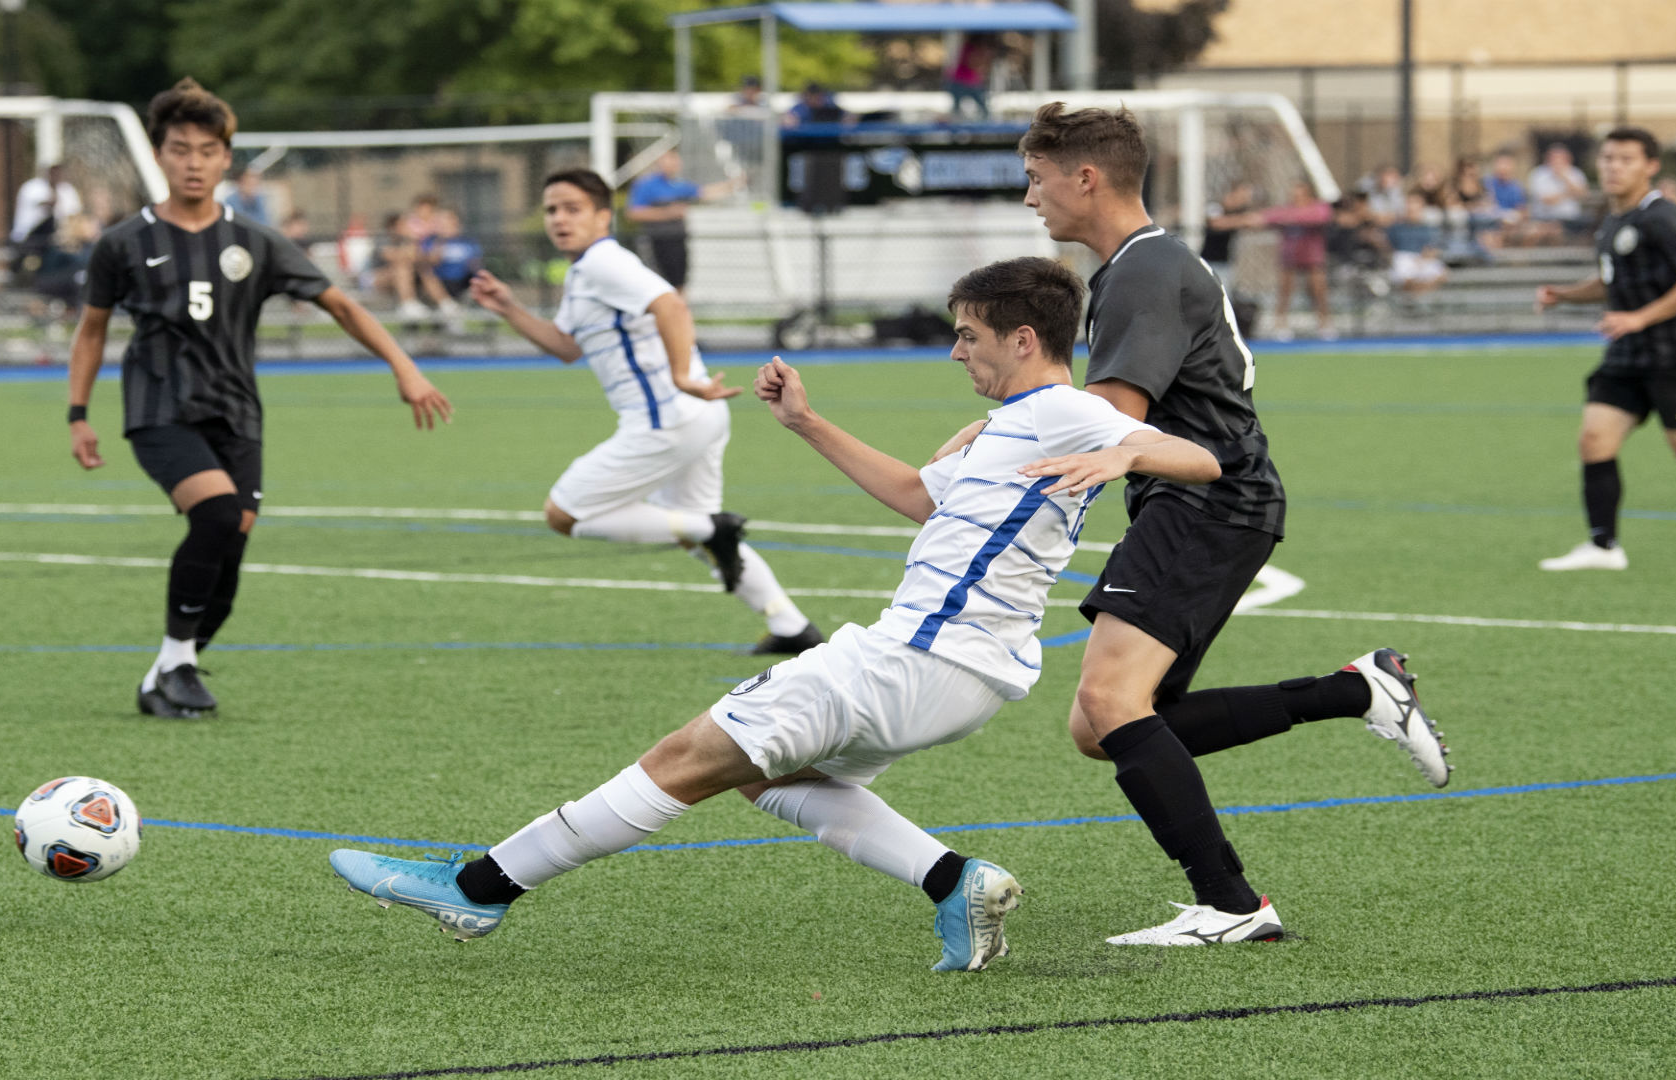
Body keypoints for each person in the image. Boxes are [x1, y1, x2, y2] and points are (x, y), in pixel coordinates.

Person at [329, 257, 1223, 969]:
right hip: (962, 675)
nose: (957, 353)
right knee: (767, 778)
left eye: (968, 335)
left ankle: (479, 890)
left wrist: (1126, 454)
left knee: (682, 758)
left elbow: (1201, 459)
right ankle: (956, 882)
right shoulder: (1014, 423)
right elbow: (919, 496)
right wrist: (806, 422)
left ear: (1023, 339)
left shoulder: (1067, 411)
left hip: (912, 659)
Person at [1015, 103, 1449, 945]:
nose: (1031, 197)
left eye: (1037, 178)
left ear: (1086, 177)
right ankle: (1355, 690)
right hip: (1205, 502)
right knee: (1102, 727)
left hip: (1207, 502)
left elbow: (1114, 417)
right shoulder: (1140, 263)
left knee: (1109, 700)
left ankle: (1231, 904)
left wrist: (1002, 426)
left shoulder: (1144, 268)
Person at [66, 78, 452, 719]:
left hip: (237, 412)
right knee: (217, 514)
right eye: (180, 150)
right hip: (159, 409)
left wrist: (404, 367)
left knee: (230, 549)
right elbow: (91, 331)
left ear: (226, 159)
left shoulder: (256, 240)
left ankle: (166, 673)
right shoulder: (123, 243)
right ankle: (178, 665)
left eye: (207, 151)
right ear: (159, 156)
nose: (193, 163)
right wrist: (78, 415)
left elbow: (340, 304)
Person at [466, 169, 820, 655]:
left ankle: (711, 529)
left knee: (563, 513)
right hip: (695, 416)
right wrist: (510, 308)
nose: (559, 219)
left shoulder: (604, 262)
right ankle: (790, 626)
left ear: (602, 217)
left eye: (573, 208)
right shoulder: (585, 271)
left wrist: (680, 375)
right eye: (551, 210)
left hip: (668, 419)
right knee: (694, 534)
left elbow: (670, 305)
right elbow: (567, 346)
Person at [1536, 127, 1676, 571]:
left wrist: (1640, 317)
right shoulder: (1612, 220)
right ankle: (1604, 547)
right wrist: (1564, 294)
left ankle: (1604, 546)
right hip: (1625, 356)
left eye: (1626, 159)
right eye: (1608, 158)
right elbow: (1611, 282)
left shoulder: (1661, 216)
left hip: (1670, 355)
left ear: (1650, 166)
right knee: (1594, 438)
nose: (1614, 167)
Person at [624, 149, 734, 291]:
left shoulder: (678, 185)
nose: (674, 164)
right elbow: (633, 213)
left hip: (677, 240)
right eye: (669, 160)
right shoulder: (646, 185)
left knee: (679, 284)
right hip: (656, 241)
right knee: (658, 284)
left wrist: (733, 184)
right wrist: (667, 213)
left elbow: (704, 192)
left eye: (676, 160)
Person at [1260, 179, 1336, 340]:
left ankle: (1324, 323)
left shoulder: (1318, 208)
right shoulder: (1286, 210)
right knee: (1285, 291)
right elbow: (1265, 217)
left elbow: (1322, 216)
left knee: (1318, 291)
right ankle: (1280, 324)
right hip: (1290, 255)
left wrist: (1290, 217)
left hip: (1312, 256)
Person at [1201, 179, 1257, 293]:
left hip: (1225, 262)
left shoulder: (1238, 212)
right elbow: (1216, 223)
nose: (1245, 200)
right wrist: (1242, 220)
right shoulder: (1216, 207)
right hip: (1209, 260)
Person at [1529, 143, 1591, 239]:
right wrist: (1569, 193)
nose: (1557, 162)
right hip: (1545, 218)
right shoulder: (1538, 174)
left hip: (1571, 219)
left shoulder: (1576, 173)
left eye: (1561, 159)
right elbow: (1547, 200)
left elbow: (1584, 195)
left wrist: (1564, 178)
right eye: (1554, 159)